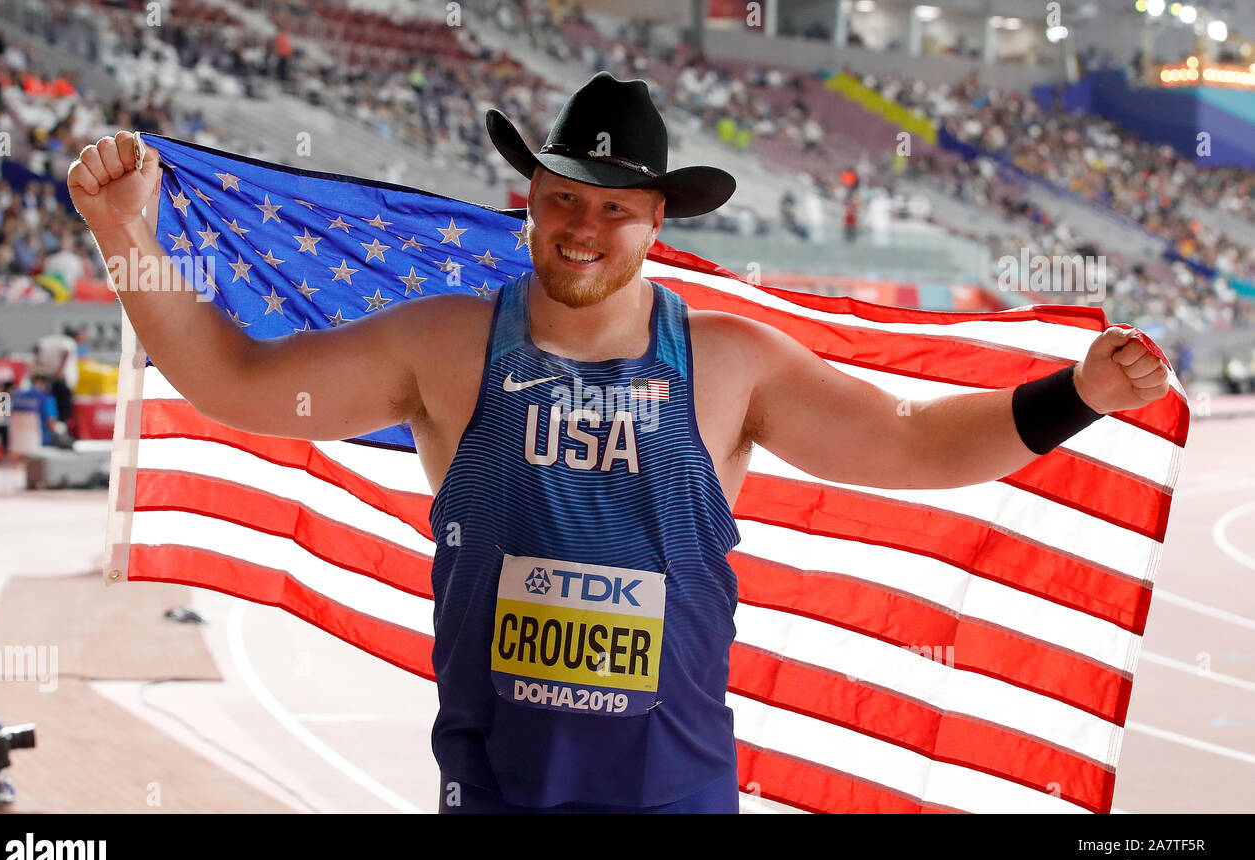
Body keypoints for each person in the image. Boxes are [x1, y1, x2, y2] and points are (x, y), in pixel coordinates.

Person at [67, 72, 1172, 815]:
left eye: (612, 210)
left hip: (674, 802)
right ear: (530, 198)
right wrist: (130, 241)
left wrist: (1072, 393)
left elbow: (916, 445)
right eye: (561, 199)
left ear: (656, 223)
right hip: (496, 795)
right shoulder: (447, 346)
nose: (580, 229)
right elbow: (238, 382)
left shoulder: (733, 364)